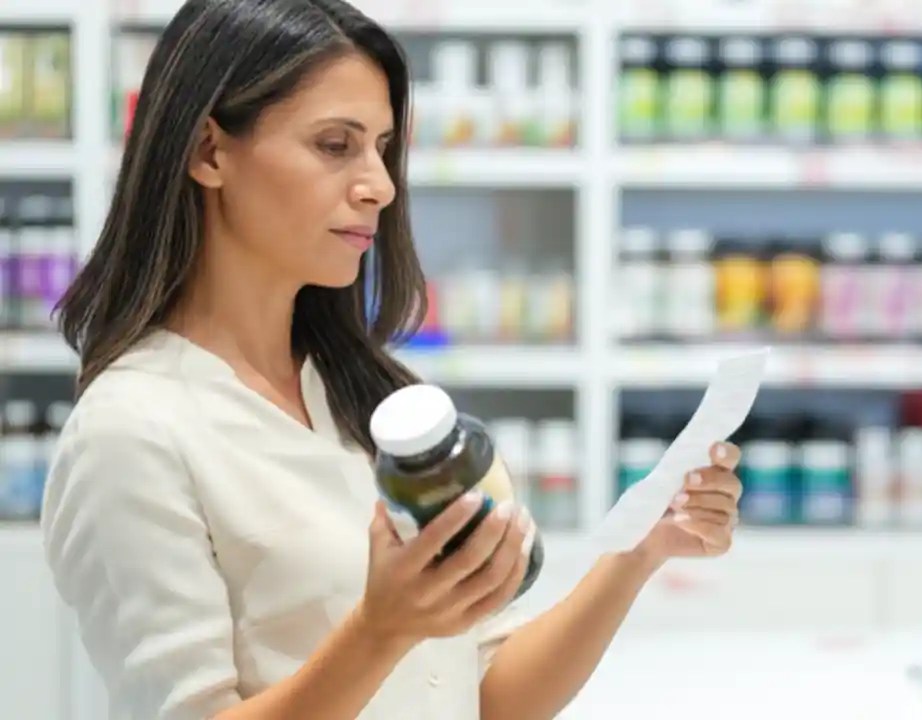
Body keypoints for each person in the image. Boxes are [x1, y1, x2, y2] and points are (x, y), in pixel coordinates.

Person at [39, 1, 744, 718]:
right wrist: (382, 629)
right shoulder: (131, 432)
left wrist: (637, 552)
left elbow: (485, 696)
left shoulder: (371, 397)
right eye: (335, 145)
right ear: (210, 152)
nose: (379, 184)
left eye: (382, 147)